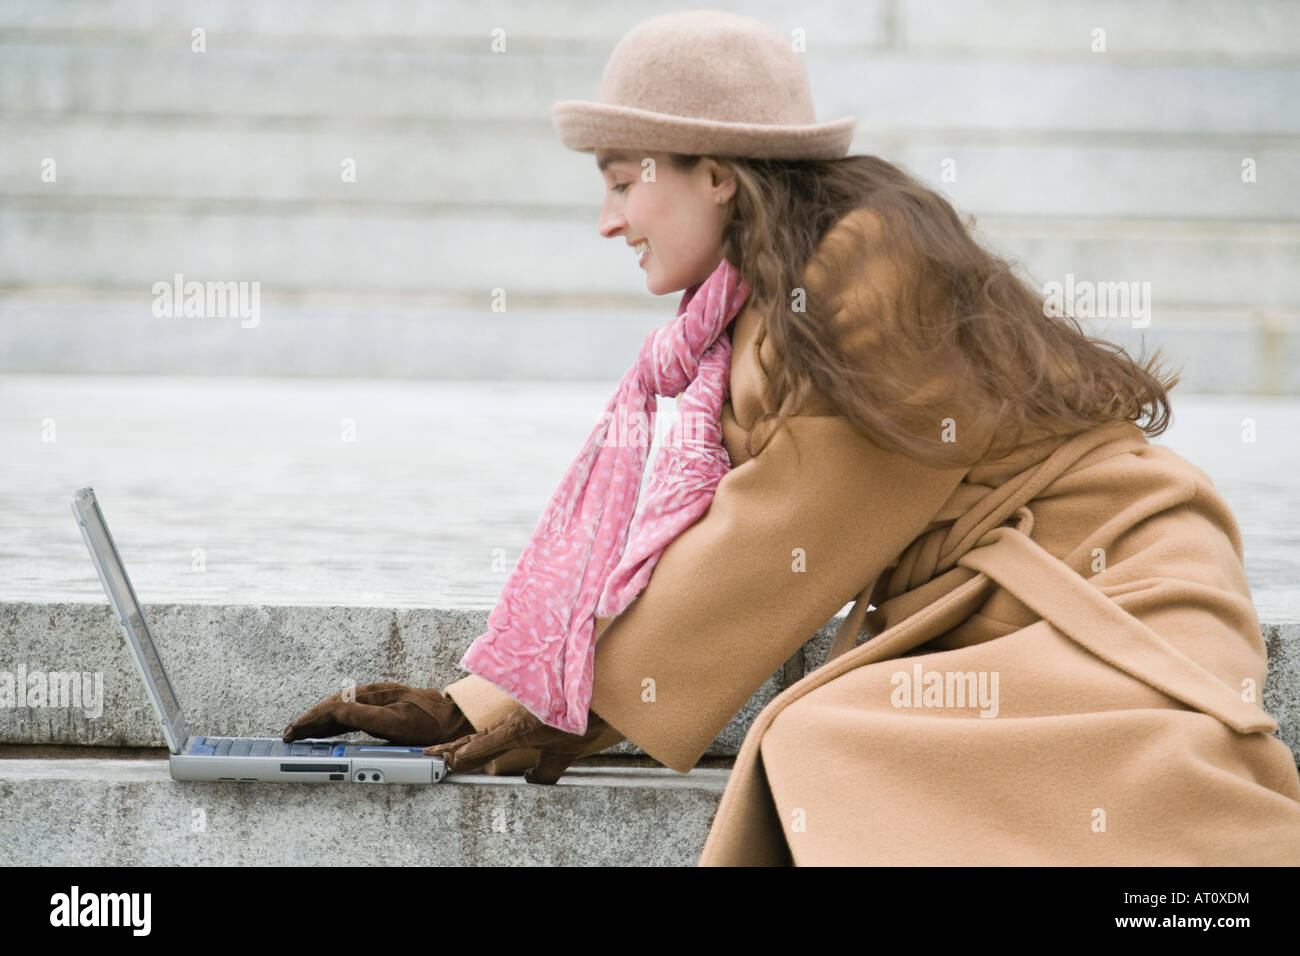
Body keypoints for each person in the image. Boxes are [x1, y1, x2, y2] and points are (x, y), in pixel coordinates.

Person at [284, 10, 1300, 864]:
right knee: (825, 740)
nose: (607, 219)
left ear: (718, 173)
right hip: (1004, 610)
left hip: (1111, 596)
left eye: (624, 178)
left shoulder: (871, 265)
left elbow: (776, 528)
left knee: (818, 742)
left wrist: (506, 710)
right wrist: (492, 696)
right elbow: (736, 534)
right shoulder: (742, 316)